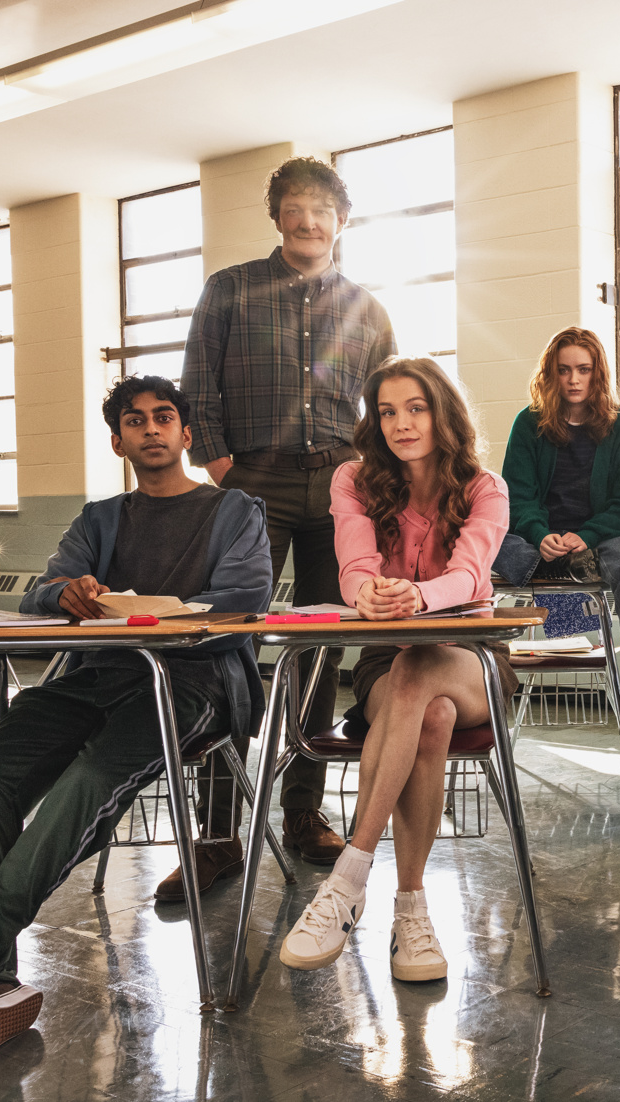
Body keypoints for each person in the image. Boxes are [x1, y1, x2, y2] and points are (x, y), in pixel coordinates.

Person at [0, 376, 271, 1071]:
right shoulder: (99, 518)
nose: (151, 428)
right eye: (135, 421)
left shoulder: (234, 511)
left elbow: (245, 596)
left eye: (164, 417)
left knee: (92, 777)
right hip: (96, 676)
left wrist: (153, 614)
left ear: (186, 433)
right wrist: (65, 594)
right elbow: (46, 589)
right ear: (117, 442)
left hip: (191, 683)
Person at [178, 156, 395, 892]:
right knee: (229, 638)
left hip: (340, 483)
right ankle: (217, 831)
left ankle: (303, 810)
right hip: (253, 480)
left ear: (342, 220)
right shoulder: (230, 289)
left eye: (321, 209)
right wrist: (221, 467)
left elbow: (391, 403)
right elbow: (197, 383)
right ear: (277, 217)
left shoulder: (367, 308)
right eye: (294, 208)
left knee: (322, 643)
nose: (308, 221)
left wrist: (375, 481)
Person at [279, 358, 513, 983]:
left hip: (471, 655)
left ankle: (348, 879)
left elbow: (470, 576)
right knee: (427, 711)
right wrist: (366, 594)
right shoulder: (354, 480)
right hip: (387, 657)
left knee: (424, 671)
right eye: (387, 412)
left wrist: (419, 595)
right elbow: (354, 565)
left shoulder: (485, 487)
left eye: (416, 408)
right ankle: (410, 910)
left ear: (443, 413)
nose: (401, 423)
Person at [493, 327, 620, 749]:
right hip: (537, 542)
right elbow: (517, 496)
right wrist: (541, 534)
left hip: (600, 539)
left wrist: (585, 536)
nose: (573, 379)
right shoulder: (528, 423)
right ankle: (560, 571)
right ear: (551, 373)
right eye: (564, 370)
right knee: (487, 542)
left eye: (583, 370)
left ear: (597, 373)